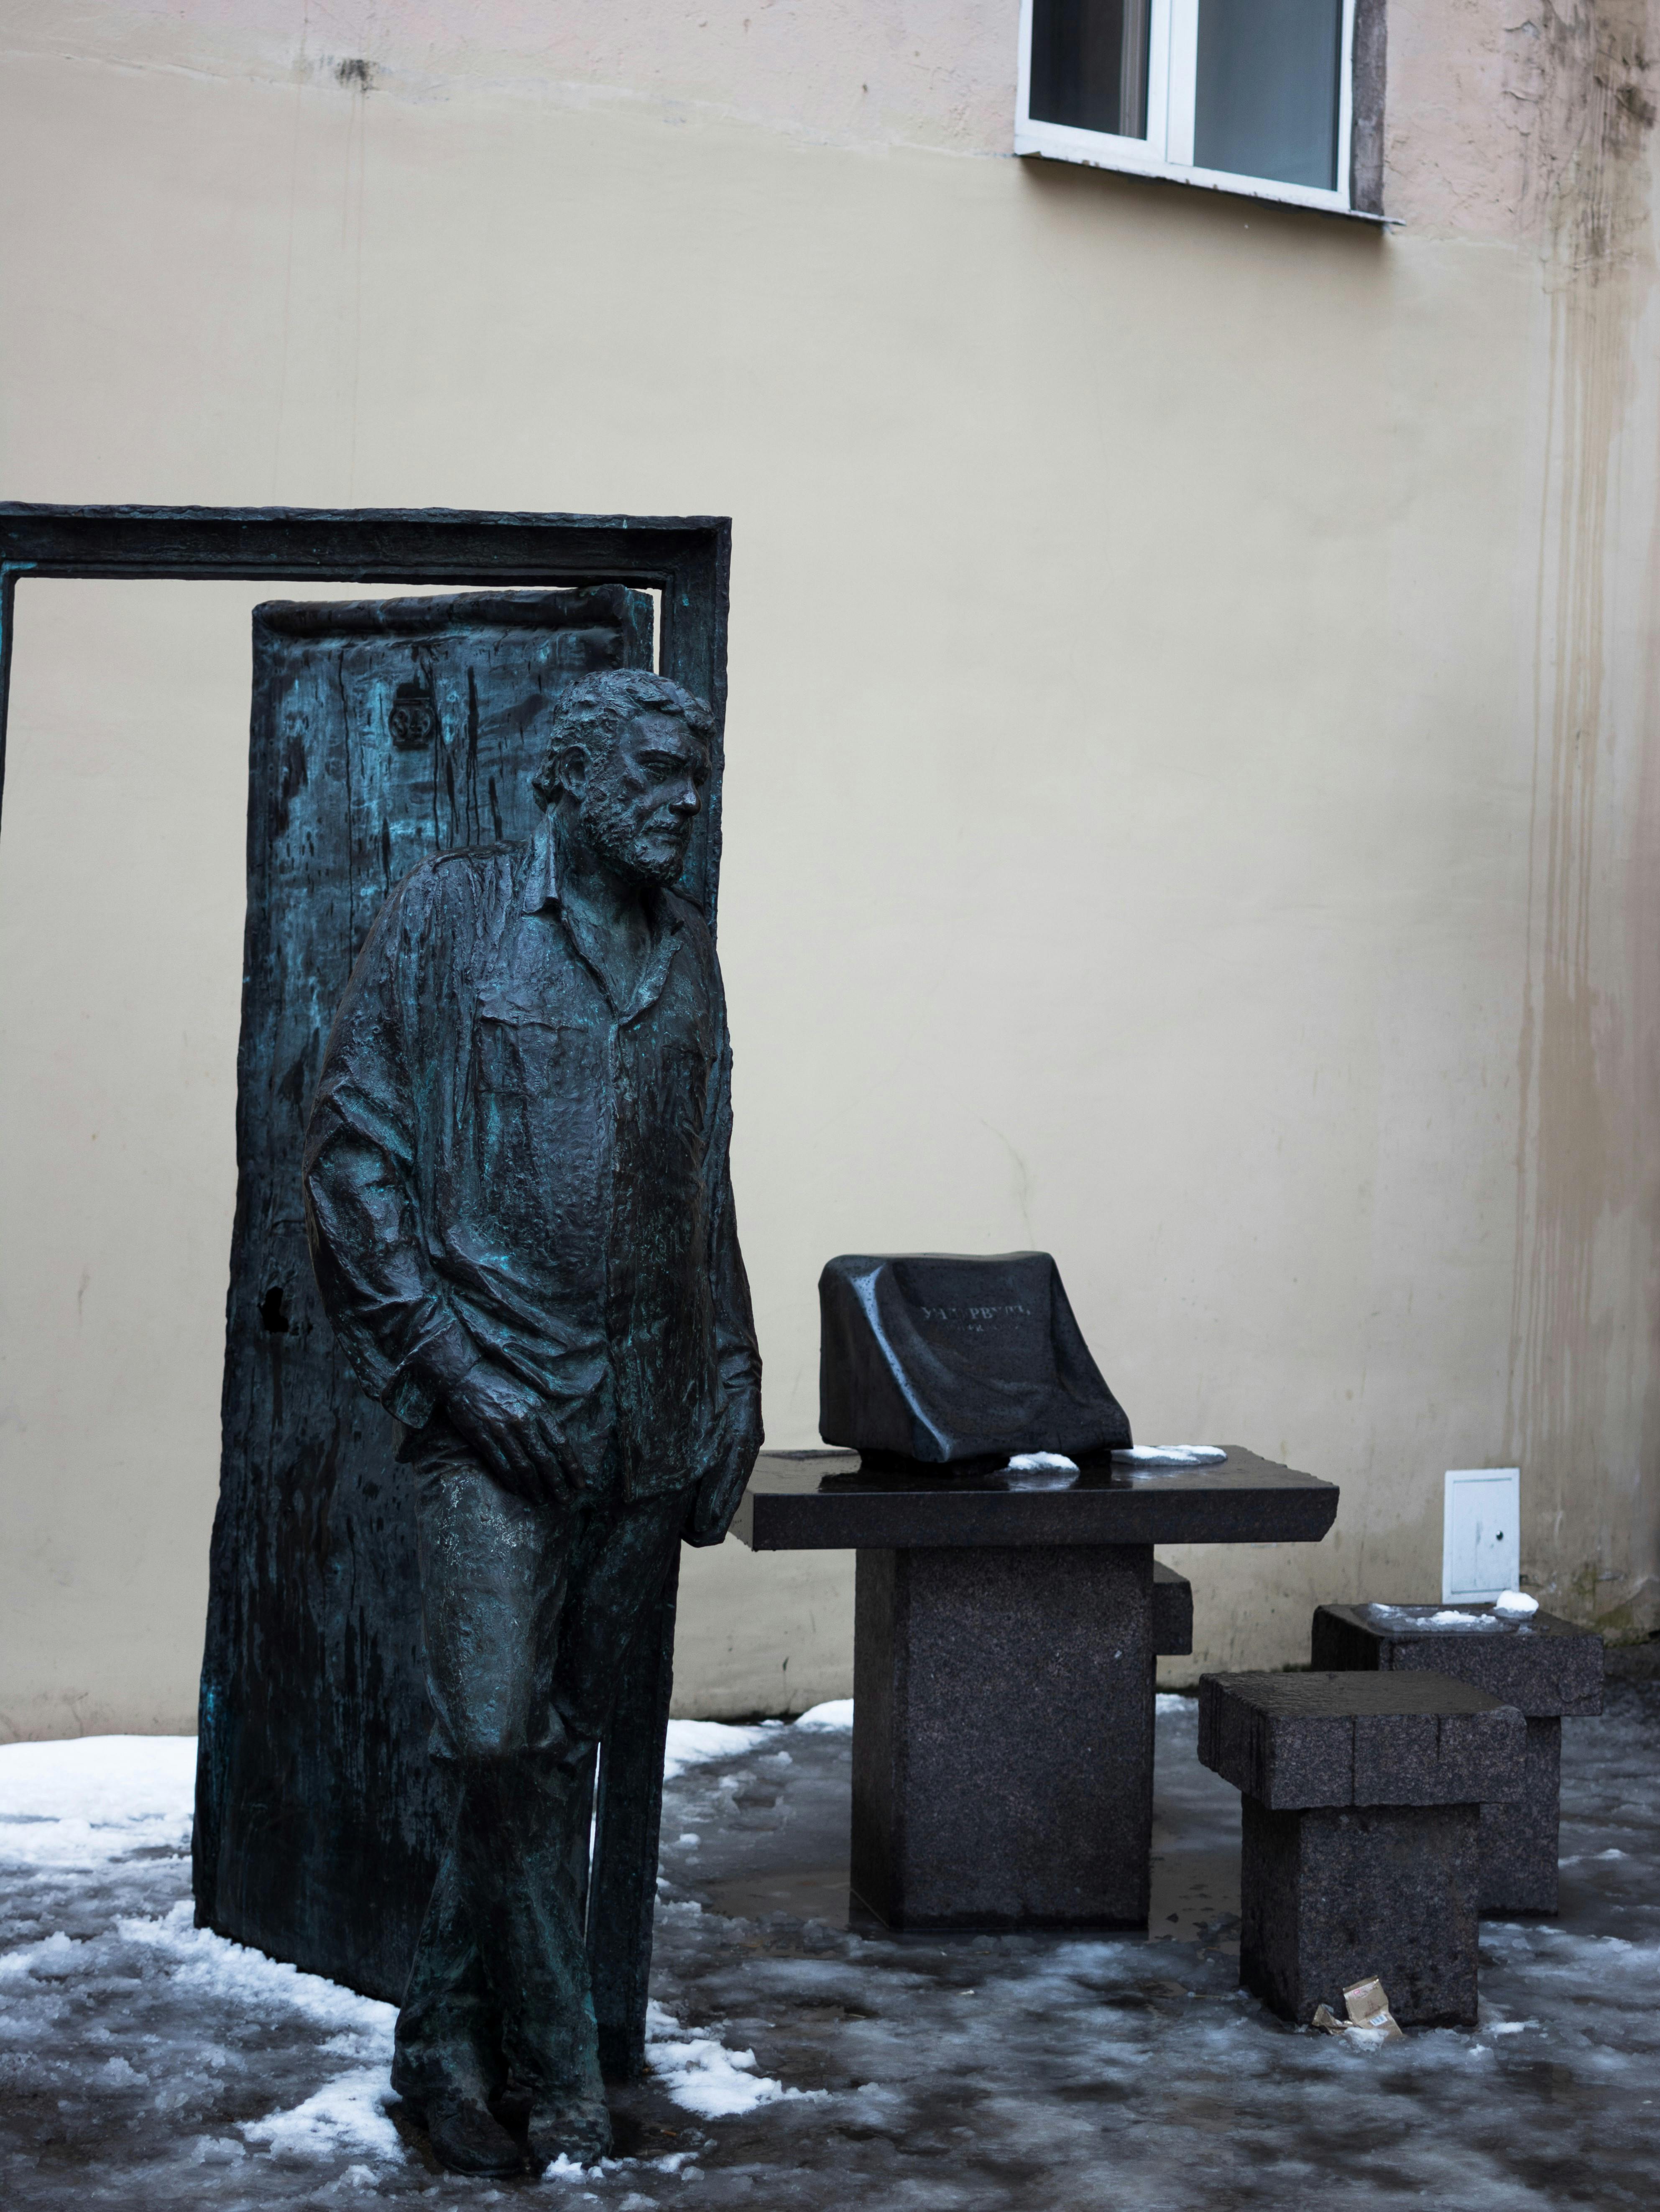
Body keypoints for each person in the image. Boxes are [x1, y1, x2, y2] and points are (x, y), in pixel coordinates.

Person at [301, 667, 762, 2175]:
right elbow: (355, 1165)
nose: (683, 799)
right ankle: (564, 2074)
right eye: (653, 769)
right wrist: (460, 1374)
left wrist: (737, 1379)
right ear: (565, 780)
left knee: (559, 1752)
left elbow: (708, 1193)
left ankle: (440, 2050)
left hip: (645, 1418)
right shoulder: (448, 921)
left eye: (694, 773)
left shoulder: (685, 957)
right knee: (497, 1742)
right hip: (489, 1410)